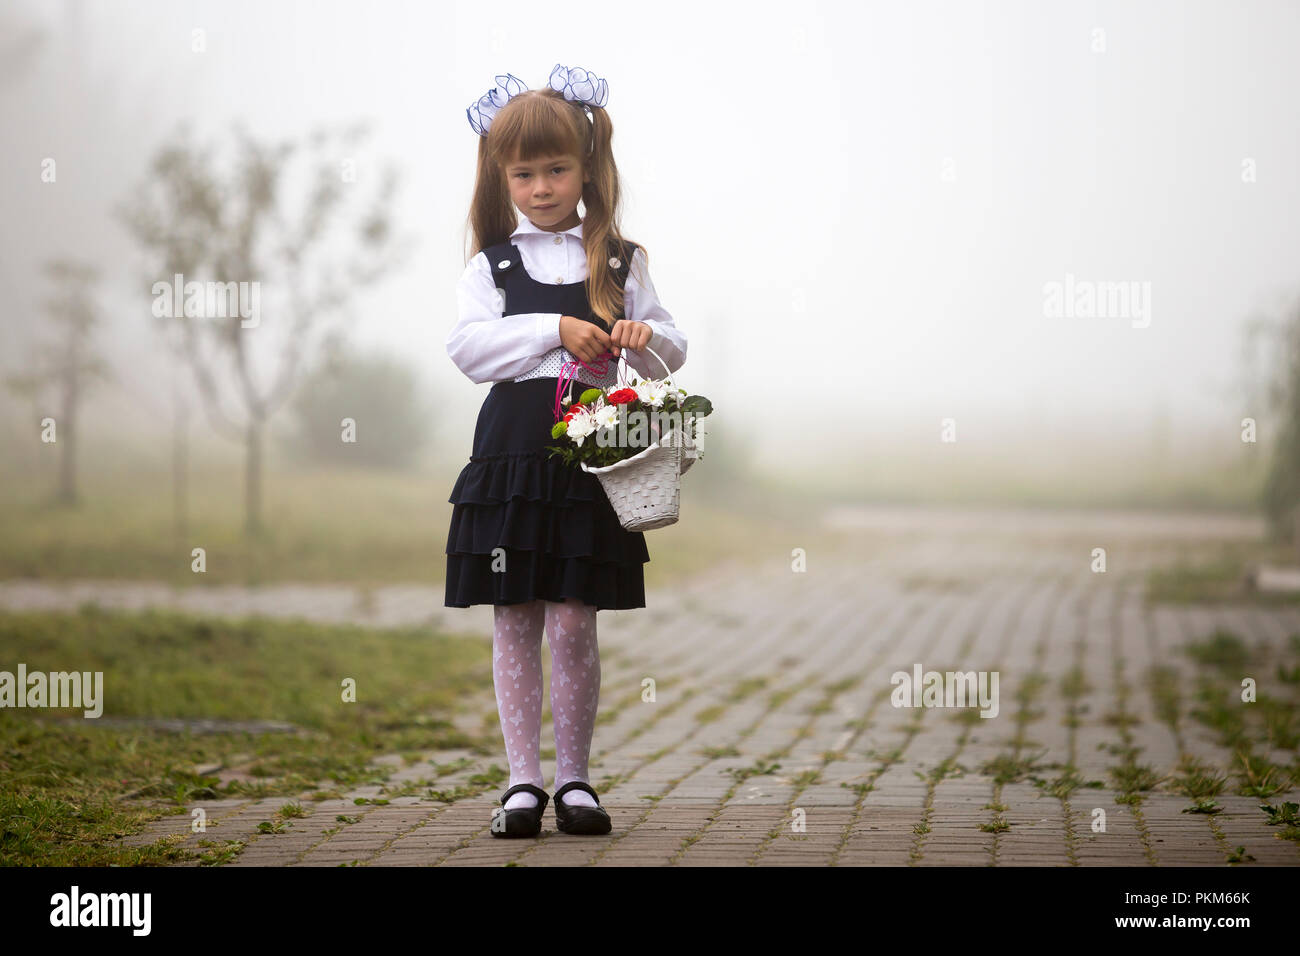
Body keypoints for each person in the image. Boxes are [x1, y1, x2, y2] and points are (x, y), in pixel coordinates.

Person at [445, 65, 687, 837]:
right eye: (524, 173)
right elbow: (469, 350)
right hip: (511, 459)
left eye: (556, 169)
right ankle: (522, 783)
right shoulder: (493, 267)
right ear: (502, 175)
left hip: (591, 456)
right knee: (514, 615)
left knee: (575, 621)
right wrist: (551, 330)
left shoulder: (618, 260)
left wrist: (645, 339)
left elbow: (671, 349)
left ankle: (575, 780)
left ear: (586, 167)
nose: (542, 186)